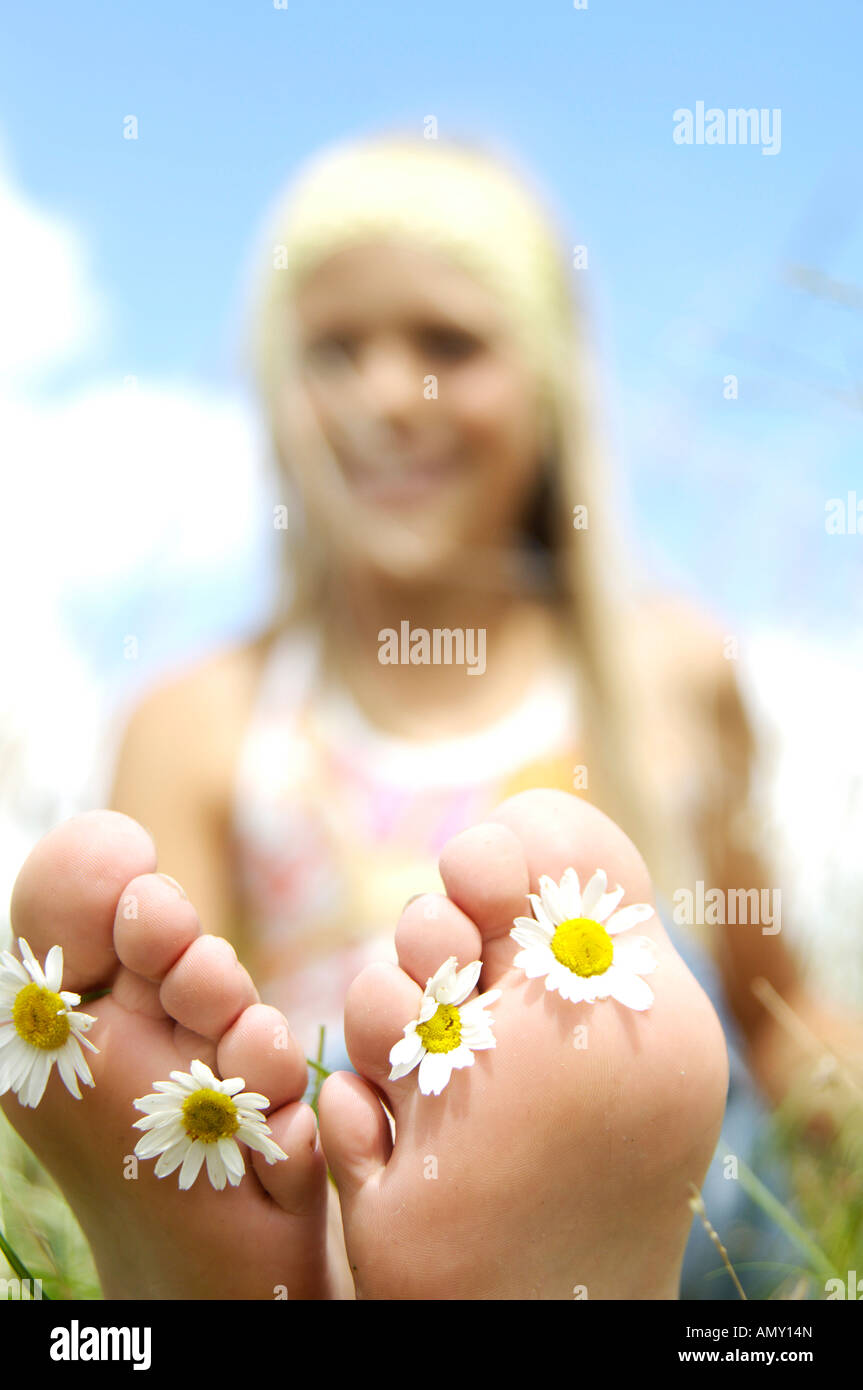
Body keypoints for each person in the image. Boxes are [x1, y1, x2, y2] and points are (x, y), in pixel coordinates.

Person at [1, 133, 849, 1299]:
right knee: (293, 1063)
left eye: (447, 344)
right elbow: (183, 1034)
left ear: (552, 377)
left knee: (670, 992)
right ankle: (314, 1261)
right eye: (331, 352)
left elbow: (774, 1002)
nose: (388, 395)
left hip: (671, 1200)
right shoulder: (200, 722)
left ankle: (485, 1251)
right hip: (342, 1152)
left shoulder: (666, 671)